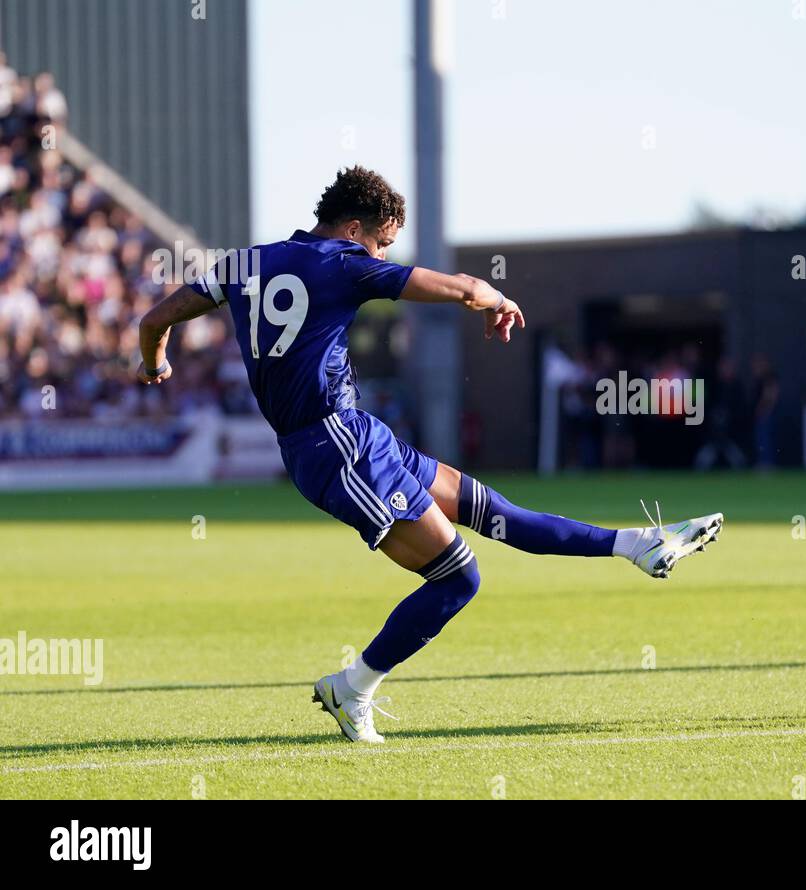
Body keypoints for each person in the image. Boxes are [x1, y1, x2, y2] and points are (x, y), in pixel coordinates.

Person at [136, 166, 723, 743]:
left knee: (496, 512)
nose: (383, 258)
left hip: (354, 436)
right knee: (457, 579)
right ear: (353, 227)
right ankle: (355, 686)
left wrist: (155, 359)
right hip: (337, 447)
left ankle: (635, 545)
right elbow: (457, 288)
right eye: (383, 243)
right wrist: (492, 297)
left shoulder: (243, 263)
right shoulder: (343, 262)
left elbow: (155, 318)